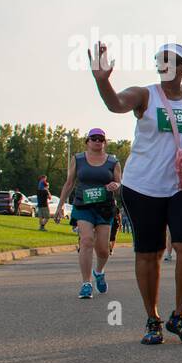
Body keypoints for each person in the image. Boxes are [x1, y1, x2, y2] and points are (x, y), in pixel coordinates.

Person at [91, 41, 182, 344]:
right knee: (150, 253)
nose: (168, 64)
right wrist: (102, 80)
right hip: (143, 186)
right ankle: (153, 318)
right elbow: (116, 104)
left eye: (175, 61)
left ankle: (180, 315)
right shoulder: (145, 95)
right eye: (163, 60)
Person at [55, 127, 122, 298]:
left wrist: (116, 186)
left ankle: (99, 272)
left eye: (101, 139)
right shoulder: (78, 159)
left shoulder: (113, 162)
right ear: (87, 141)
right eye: (94, 138)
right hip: (83, 205)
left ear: (104, 142)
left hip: (105, 207)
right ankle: (86, 283)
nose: (97, 141)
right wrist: (60, 205)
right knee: (86, 241)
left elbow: (120, 184)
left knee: (103, 250)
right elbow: (69, 183)